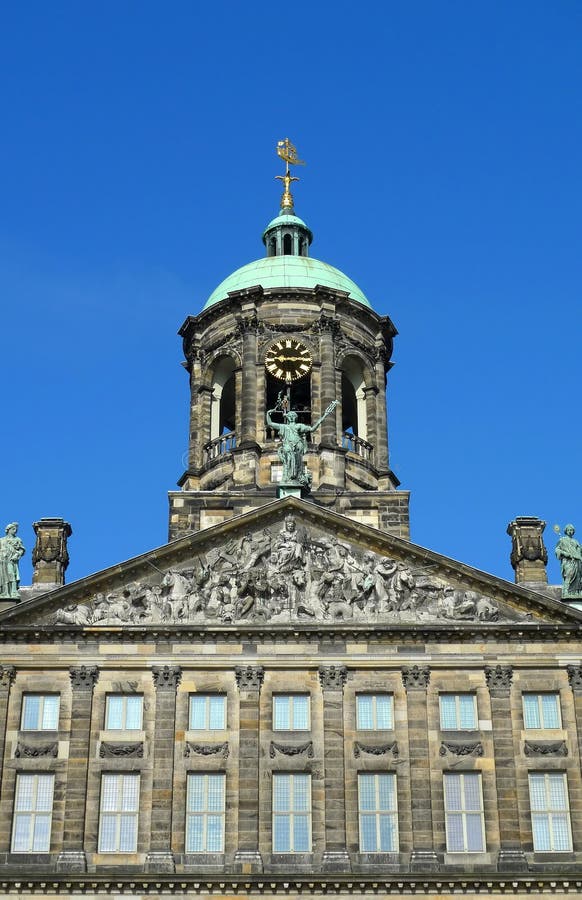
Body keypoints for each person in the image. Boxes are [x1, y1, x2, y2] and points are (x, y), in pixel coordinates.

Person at [266, 401, 337, 485]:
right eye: (290, 416)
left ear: (295, 418)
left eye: (293, 416)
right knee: (288, 460)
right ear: (287, 418)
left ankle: (296, 478)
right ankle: (287, 478)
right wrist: (268, 413)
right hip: (288, 445)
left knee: (298, 462)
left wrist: (320, 420)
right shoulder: (284, 427)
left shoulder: (299, 426)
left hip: (298, 445)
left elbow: (312, 429)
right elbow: (270, 423)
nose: (292, 417)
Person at [555, 524, 582, 599]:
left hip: (577, 560)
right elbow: (557, 550)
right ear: (566, 531)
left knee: (578, 578)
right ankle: (566, 592)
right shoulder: (562, 540)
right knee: (569, 575)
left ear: (573, 532)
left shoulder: (576, 541)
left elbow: (579, 551)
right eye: (568, 530)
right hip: (568, 561)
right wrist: (565, 553)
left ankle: (575, 592)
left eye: (571, 530)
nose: (570, 531)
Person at [0, 522, 25, 600]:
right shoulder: (1, 540)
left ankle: (13, 591)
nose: (15, 530)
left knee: (12, 574)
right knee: (3, 577)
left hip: (11, 560)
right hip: (2, 560)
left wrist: (16, 555)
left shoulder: (17, 540)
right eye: (13, 529)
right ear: (8, 530)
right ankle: (5, 592)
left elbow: (22, 550)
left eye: (16, 529)